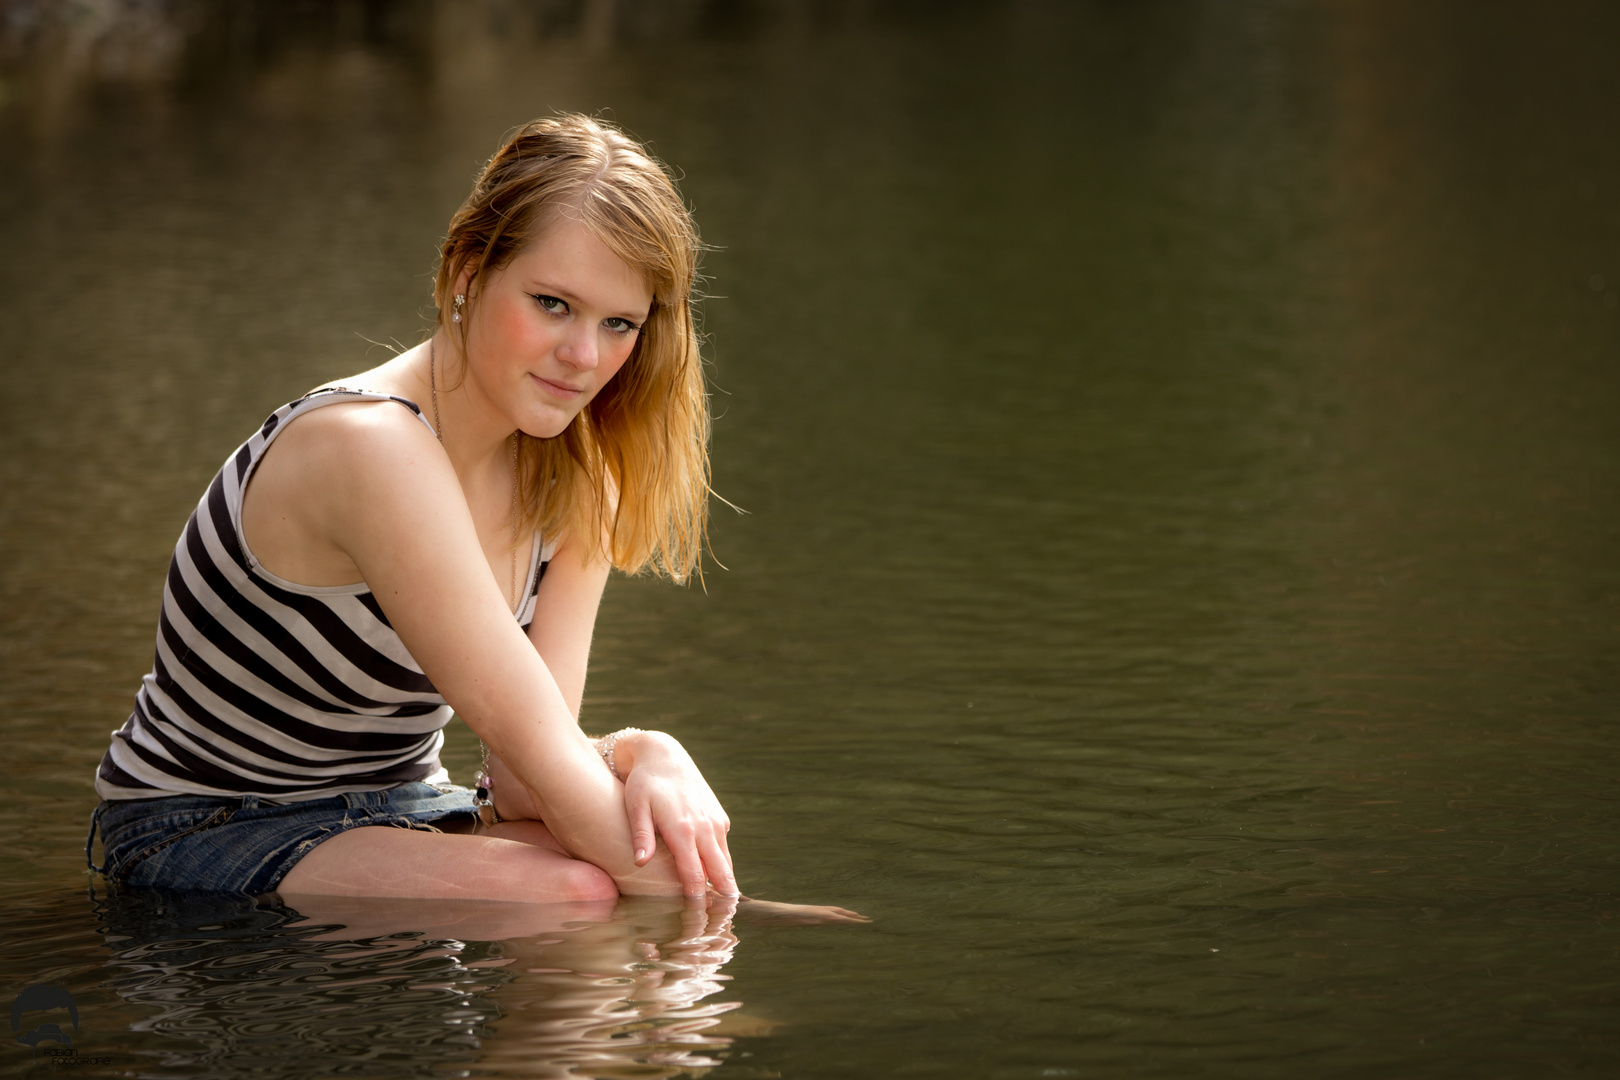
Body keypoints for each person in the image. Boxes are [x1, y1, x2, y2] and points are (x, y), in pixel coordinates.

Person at [86, 114, 859, 919]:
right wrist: (765, 927)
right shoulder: (369, 446)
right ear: (466, 272)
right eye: (553, 303)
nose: (584, 356)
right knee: (572, 893)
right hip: (201, 825)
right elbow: (562, 786)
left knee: (604, 858)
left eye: (618, 323)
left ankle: (633, 1033)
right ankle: (683, 1033)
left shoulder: (578, 477)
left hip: (401, 812)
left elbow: (528, 781)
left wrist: (646, 752)